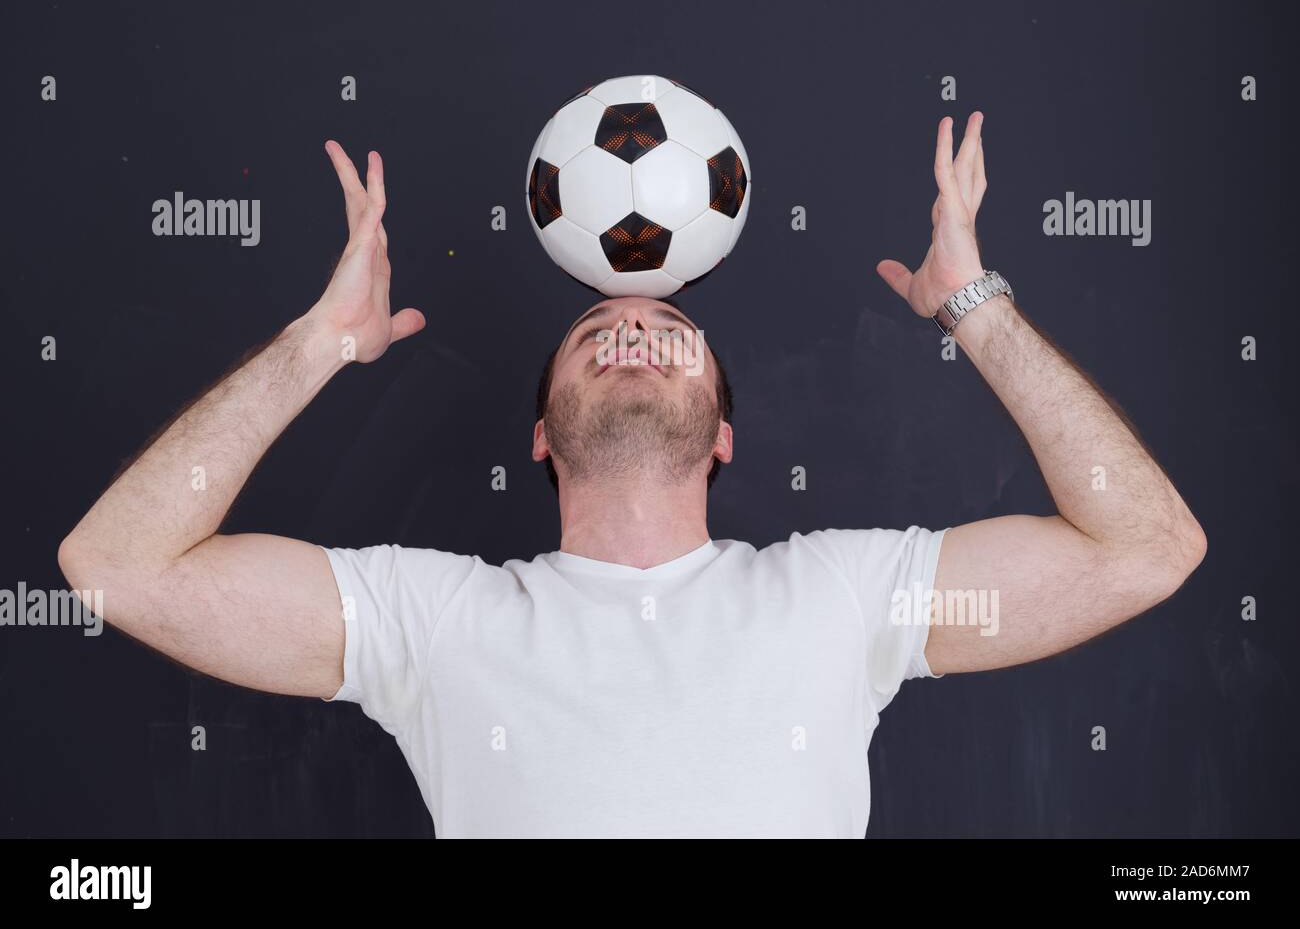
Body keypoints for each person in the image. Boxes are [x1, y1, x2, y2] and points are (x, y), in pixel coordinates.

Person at [58, 114, 1206, 838]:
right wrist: (319, 343)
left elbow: (1145, 549)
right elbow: (115, 567)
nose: (634, 336)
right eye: (595, 328)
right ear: (542, 439)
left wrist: (975, 305)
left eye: (669, 327)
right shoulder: (434, 621)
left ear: (722, 437)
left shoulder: (846, 598)